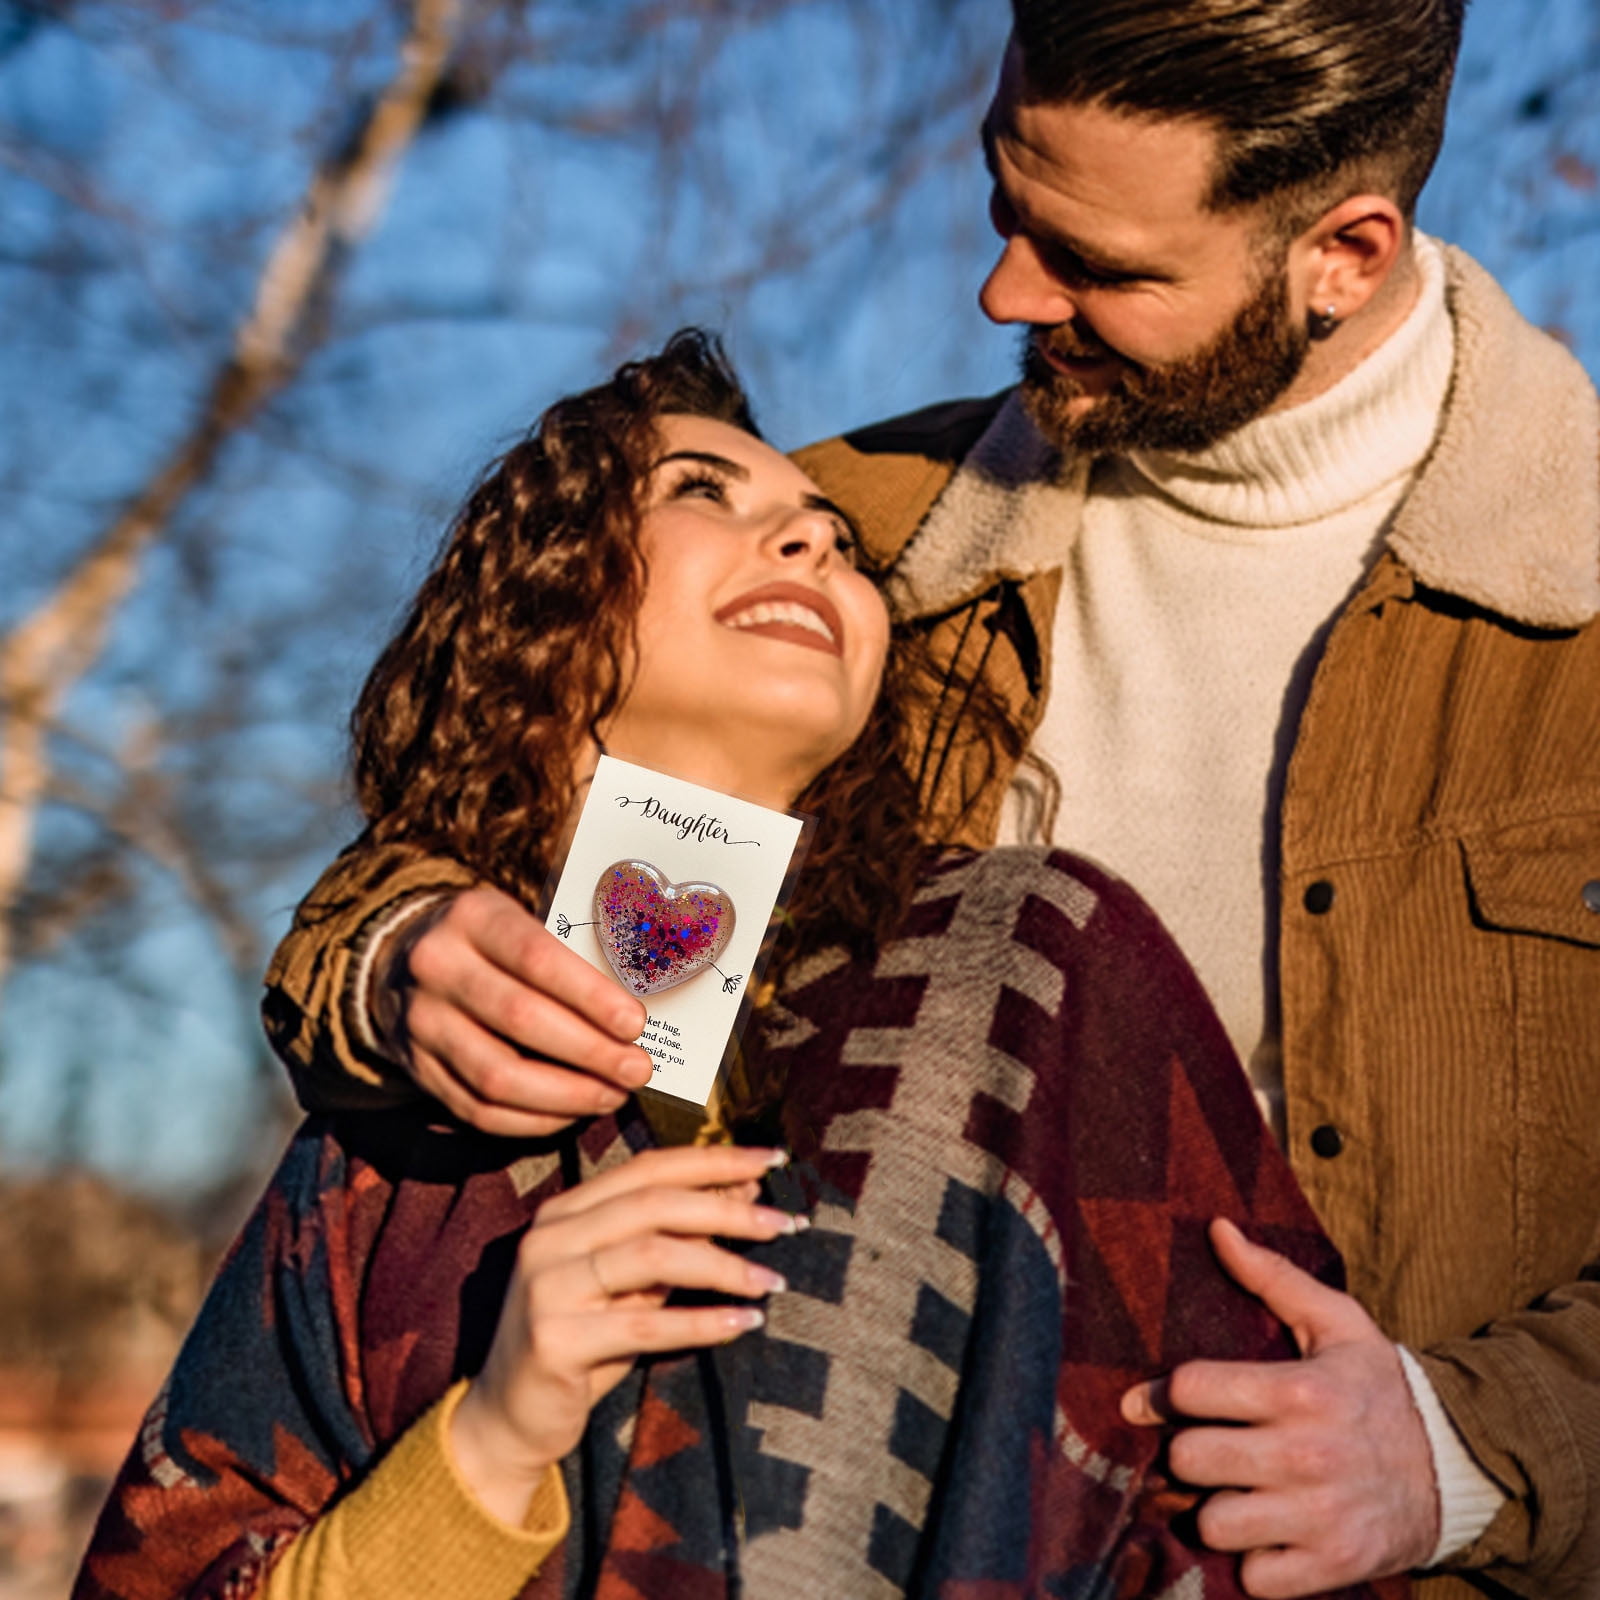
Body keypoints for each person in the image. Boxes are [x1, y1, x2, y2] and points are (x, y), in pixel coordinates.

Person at [252, 5, 1600, 1599]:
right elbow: (481, 773)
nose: (1007, 295)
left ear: (1345, 253)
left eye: (1096, 264)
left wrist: (1469, 1448)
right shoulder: (853, 539)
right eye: (1002, 205)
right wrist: (397, 952)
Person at [76, 334, 1389, 1599]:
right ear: (542, 615)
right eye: (702, 490)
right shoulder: (393, 1140)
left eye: (837, 535)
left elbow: (1255, 1508)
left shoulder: (1053, 970)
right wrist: (490, 1442)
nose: (814, 536)